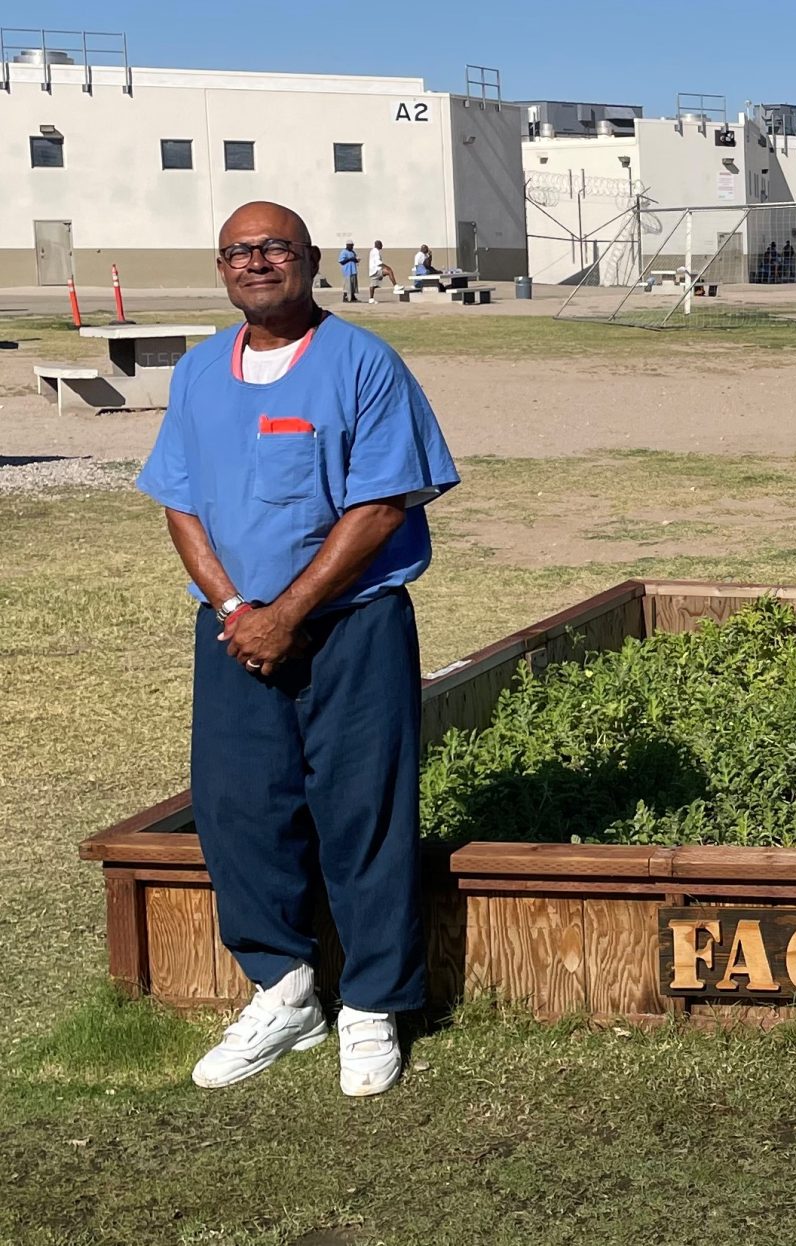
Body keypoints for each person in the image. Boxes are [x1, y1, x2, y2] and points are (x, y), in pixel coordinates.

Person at [134, 200, 459, 1097]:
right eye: (239, 251)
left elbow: (383, 503)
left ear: (311, 258)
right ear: (221, 269)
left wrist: (290, 612)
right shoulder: (201, 374)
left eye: (275, 247)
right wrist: (238, 606)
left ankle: (373, 1006)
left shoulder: (362, 364)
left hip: (352, 624)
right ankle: (283, 992)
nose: (258, 262)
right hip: (234, 631)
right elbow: (181, 499)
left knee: (365, 812)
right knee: (239, 808)